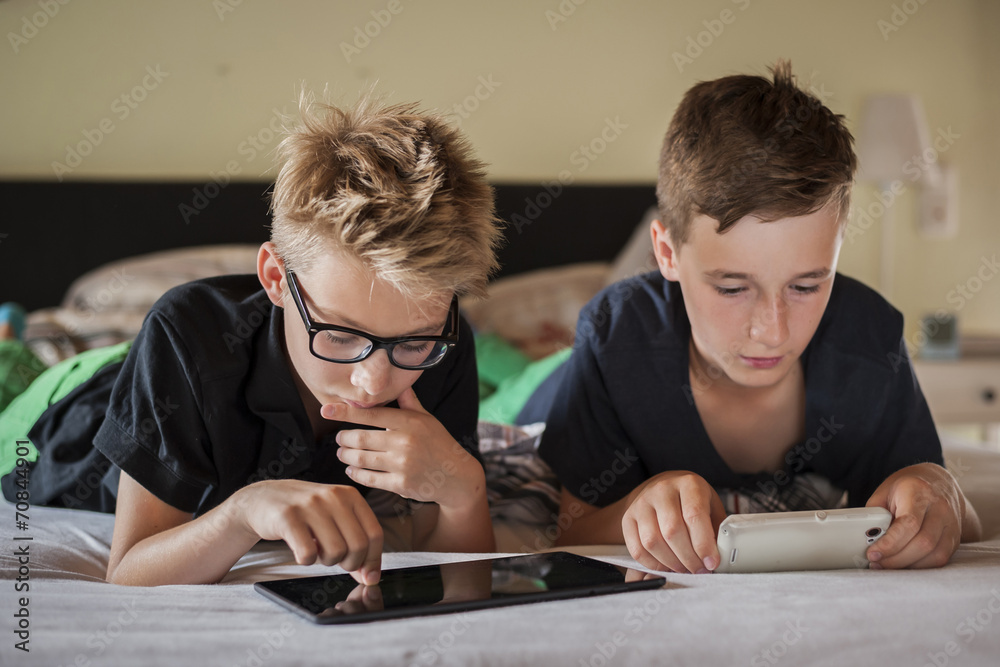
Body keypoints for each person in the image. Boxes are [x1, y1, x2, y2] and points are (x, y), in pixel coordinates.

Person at [0, 92, 502, 585]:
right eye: (340, 335)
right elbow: (130, 571)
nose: (373, 381)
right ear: (277, 278)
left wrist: (464, 490)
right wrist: (240, 513)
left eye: (412, 343)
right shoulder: (185, 332)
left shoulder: (443, 344)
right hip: (71, 407)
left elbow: (461, 578)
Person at [530, 61, 981, 574]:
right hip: (543, 386)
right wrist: (644, 501)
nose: (773, 330)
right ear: (667, 253)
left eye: (807, 285)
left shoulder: (868, 339)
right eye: (731, 287)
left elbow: (949, 508)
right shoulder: (616, 337)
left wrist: (940, 490)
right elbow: (572, 529)